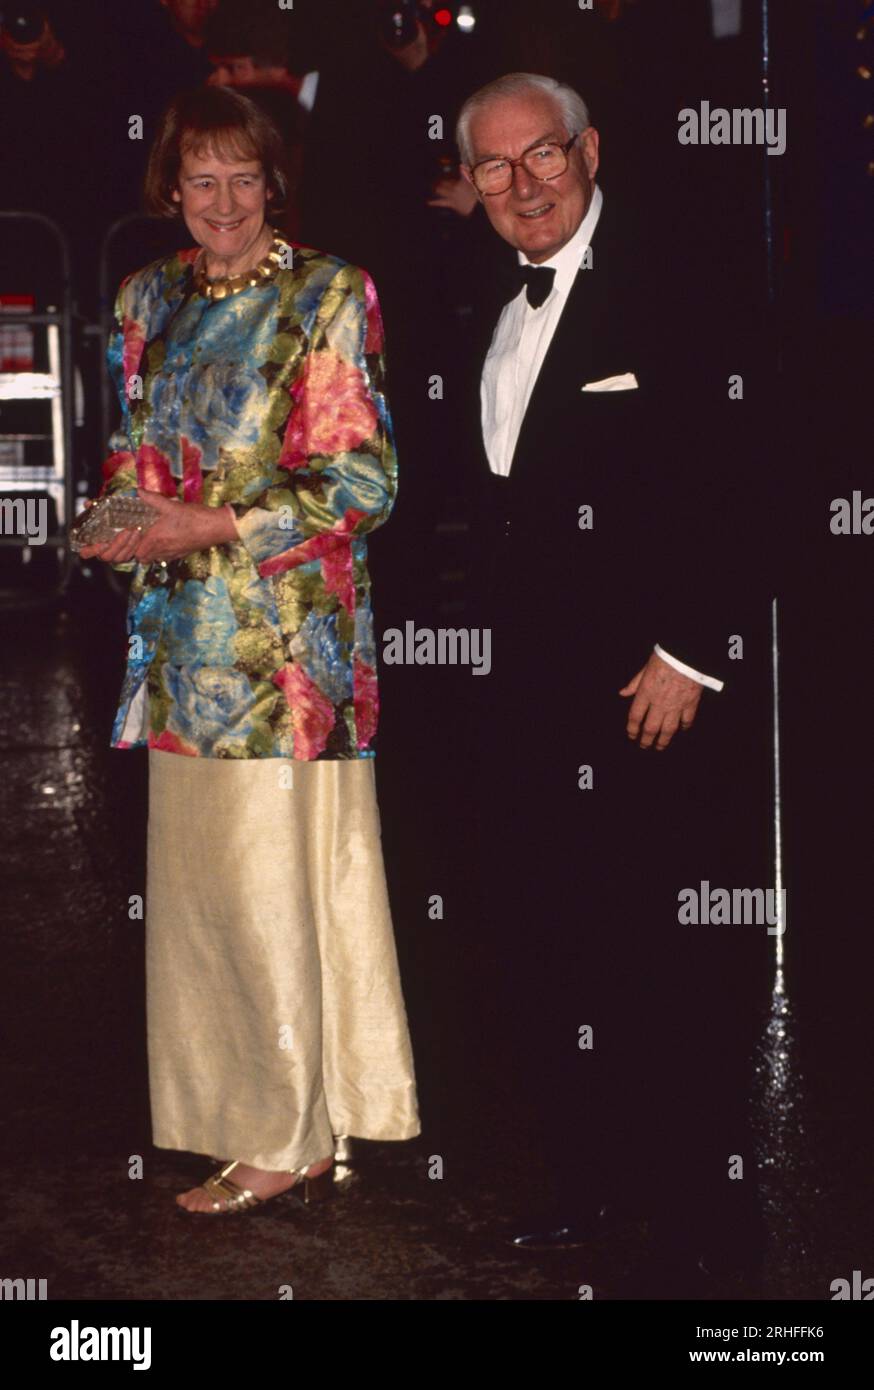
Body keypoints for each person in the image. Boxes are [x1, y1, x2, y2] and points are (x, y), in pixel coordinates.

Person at [455, 72, 775, 1294]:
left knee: (675, 961)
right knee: (553, 946)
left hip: (653, 692)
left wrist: (694, 649)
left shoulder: (678, 280)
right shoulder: (469, 292)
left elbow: (745, 471)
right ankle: (591, 1184)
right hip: (523, 695)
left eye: (541, 156)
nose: (522, 184)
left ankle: (709, 1224)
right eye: (494, 167)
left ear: (589, 152)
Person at [78, 85, 420, 1214]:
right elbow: (137, 451)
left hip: (284, 651)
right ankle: (263, 1114)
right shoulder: (147, 296)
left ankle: (286, 1130)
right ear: (168, 187)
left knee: (275, 894)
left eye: (243, 178)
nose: (221, 202)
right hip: (180, 645)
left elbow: (364, 483)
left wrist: (213, 526)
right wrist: (115, 519)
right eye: (199, 180)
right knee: (206, 901)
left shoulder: (326, 292)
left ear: (274, 183)